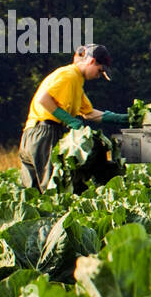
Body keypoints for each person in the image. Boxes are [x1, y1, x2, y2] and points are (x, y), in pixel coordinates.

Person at [19, 43, 129, 192]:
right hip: (45, 133)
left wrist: (121, 118)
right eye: (99, 70)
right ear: (91, 61)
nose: (98, 76)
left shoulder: (76, 81)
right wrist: (69, 119)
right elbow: (43, 99)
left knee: (33, 193)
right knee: (55, 189)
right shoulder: (69, 76)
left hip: (30, 135)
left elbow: (88, 113)